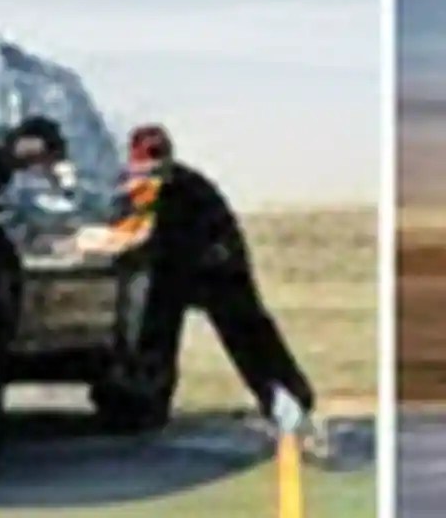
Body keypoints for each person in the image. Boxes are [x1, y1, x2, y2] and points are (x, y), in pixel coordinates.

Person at [126, 123, 316, 420]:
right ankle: (145, 408)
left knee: (248, 333)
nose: (152, 164)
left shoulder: (192, 186)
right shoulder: (133, 188)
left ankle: (289, 398)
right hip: (167, 269)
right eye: (147, 157)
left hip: (216, 268)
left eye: (157, 155)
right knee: (153, 338)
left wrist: (217, 260)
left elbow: (220, 234)